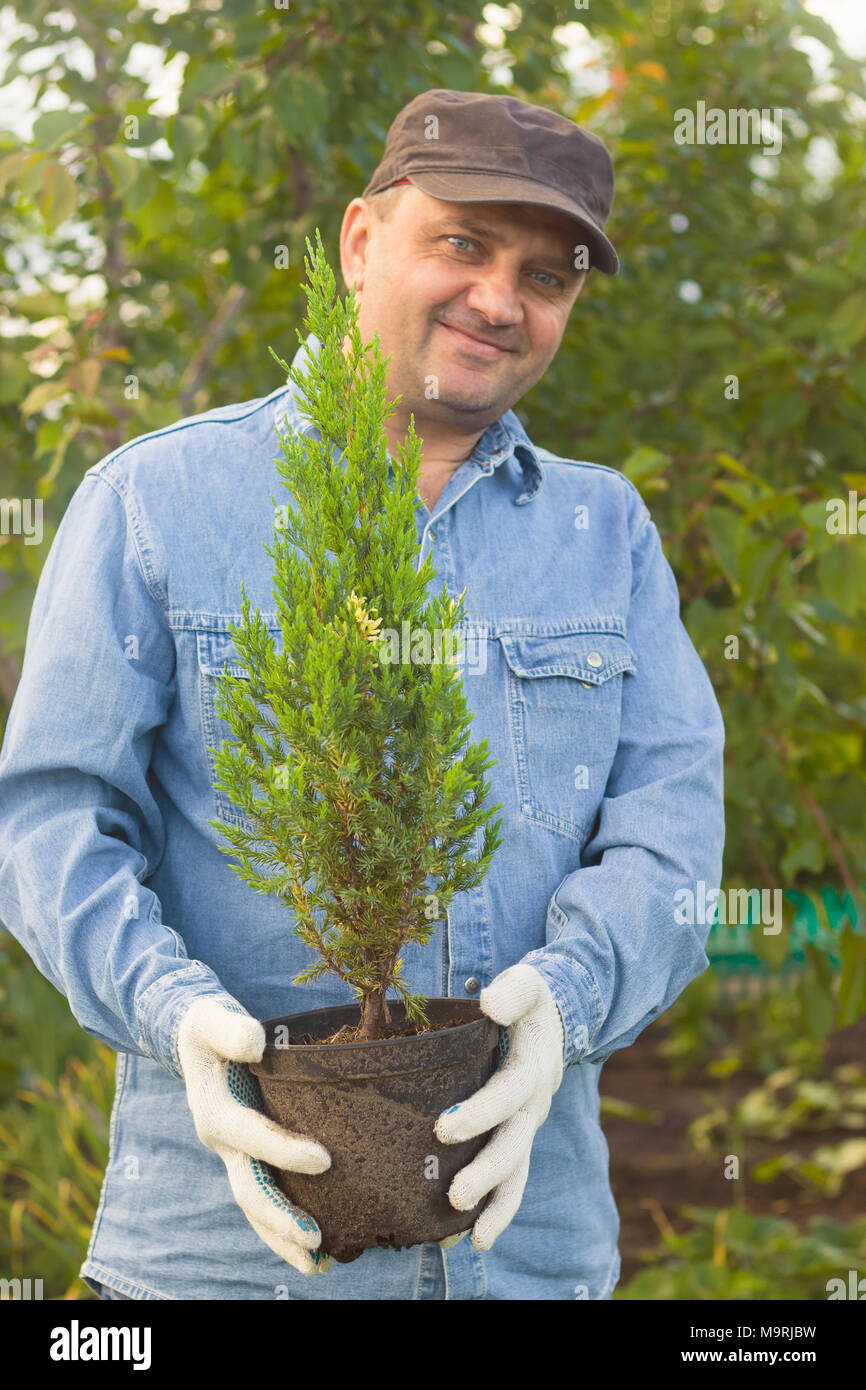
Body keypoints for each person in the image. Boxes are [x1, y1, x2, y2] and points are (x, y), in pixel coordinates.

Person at [0, 89, 725, 1300]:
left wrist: (568, 995)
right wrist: (175, 1010)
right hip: (224, 1261)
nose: (501, 299)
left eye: (546, 278)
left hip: (527, 1254)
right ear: (356, 242)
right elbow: (51, 821)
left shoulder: (606, 532)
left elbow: (672, 821)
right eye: (462, 243)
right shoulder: (153, 502)